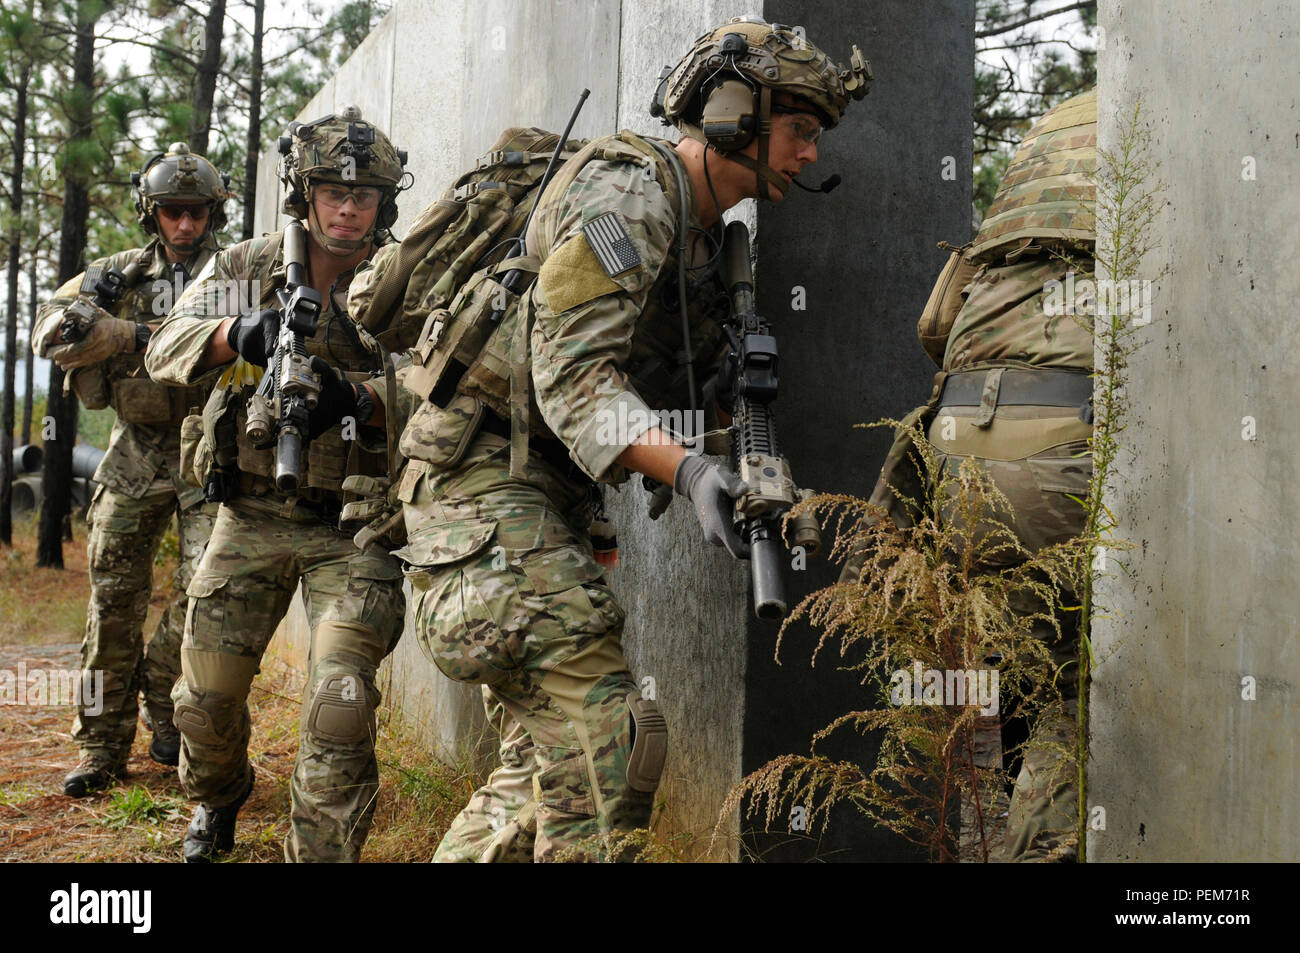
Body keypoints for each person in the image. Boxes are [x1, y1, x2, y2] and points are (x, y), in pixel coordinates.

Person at [392, 17, 869, 861]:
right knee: (612, 747)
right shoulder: (630, 197)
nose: (811, 156)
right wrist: (691, 475)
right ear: (731, 115)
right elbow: (572, 381)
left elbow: (681, 406)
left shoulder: (709, 245)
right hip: (477, 488)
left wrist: (752, 475)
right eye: (800, 130)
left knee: (538, 780)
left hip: (540, 504)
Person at [144, 107, 412, 862]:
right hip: (252, 508)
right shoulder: (247, 268)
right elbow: (166, 346)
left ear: (385, 204)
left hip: (355, 522)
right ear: (306, 194)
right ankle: (218, 798)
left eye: (365, 196)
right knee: (204, 701)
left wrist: (363, 398)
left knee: (339, 698)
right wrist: (243, 334)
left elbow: (454, 388)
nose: (349, 207)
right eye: (333, 191)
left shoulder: (405, 279)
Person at [846, 89, 1097, 861]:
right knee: (1082, 697)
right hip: (1066, 442)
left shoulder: (1062, 124)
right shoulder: (1214, 115)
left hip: (960, 448)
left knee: (990, 694)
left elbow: (938, 326)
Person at [33, 143, 229, 797]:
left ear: (212, 212)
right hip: (134, 453)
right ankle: (100, 746)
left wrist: (141, 335)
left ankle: (164, 695)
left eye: (196, 211)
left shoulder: (234, 272)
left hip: (210, 453)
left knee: (206, 597)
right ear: (152, 213)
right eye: (172, 211)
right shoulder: (114, 275)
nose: (184, 225)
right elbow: (49, 331)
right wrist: (114, 330)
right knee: (111, 606)